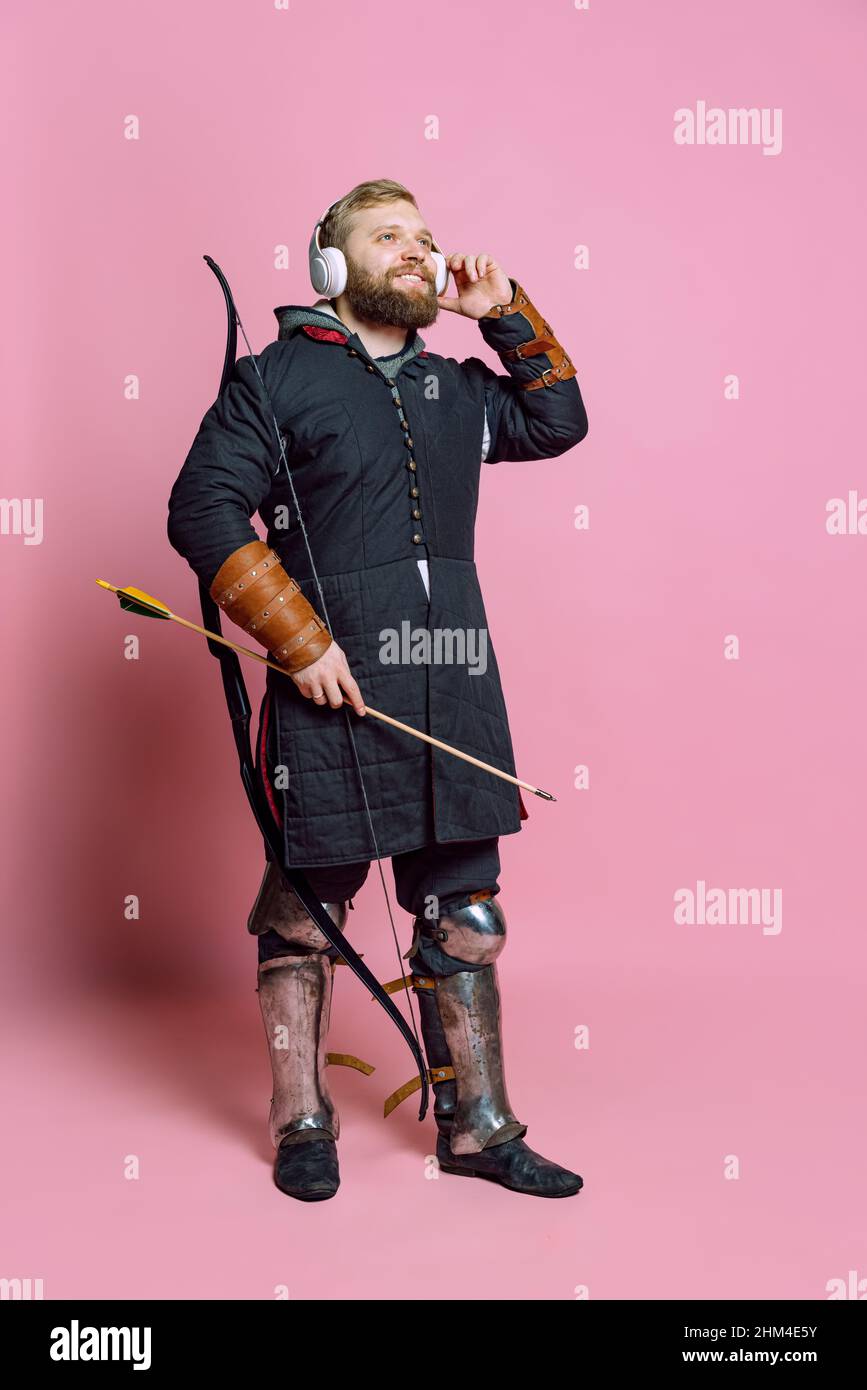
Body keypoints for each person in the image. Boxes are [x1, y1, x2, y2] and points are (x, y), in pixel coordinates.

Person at [167, 178, 589, 1201]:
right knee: (306, 911)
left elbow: (557, 420)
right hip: (334, 689)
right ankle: (302, 1121)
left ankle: (478, 1129)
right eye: (387, 235)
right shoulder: (273, 383)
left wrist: (505, 314)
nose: (414, 249)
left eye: (424, 238)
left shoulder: (455, 386)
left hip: (453, 689)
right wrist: (297, 638)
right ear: (330, 264)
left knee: (467, 917)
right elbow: (203, 509)